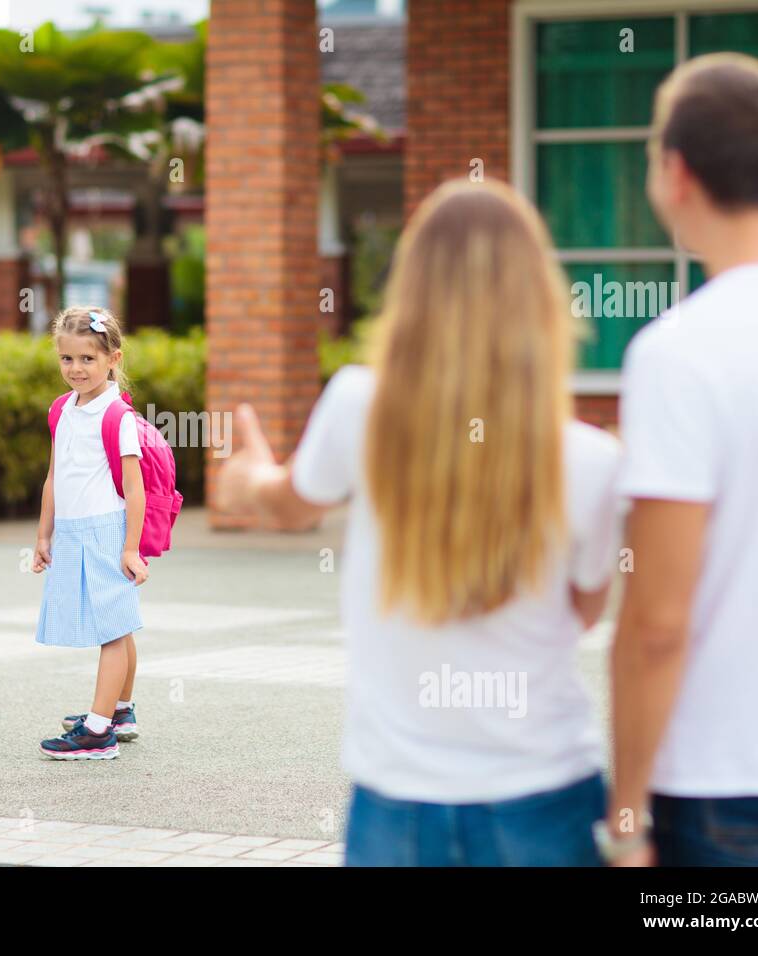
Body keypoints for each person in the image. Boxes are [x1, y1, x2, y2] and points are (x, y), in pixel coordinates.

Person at [218, 179, 622, 865]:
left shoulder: (358, 407)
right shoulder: (592, 460)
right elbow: (584, 612)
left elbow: (289, 505)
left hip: (396, 807)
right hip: (546, 797)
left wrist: (244, 478)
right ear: (542, 302)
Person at [607, 53, 758, 867]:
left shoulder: (678, 352)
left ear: (674, 173)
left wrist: (625, 817)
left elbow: (657, 621)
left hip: (723, 783)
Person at [34, 307, 148, 761]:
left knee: (113, 631)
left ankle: (98, 732)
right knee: (116, 623)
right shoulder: (62, 410)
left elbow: (135, 487)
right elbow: (54, 476)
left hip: (106, 531)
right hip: (73, 531)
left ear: (112, 359)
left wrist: (130, 547)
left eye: (87, 359)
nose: (76, 369)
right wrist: (45, 534)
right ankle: (120, 711)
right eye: (66, 359)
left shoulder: (117, 415)